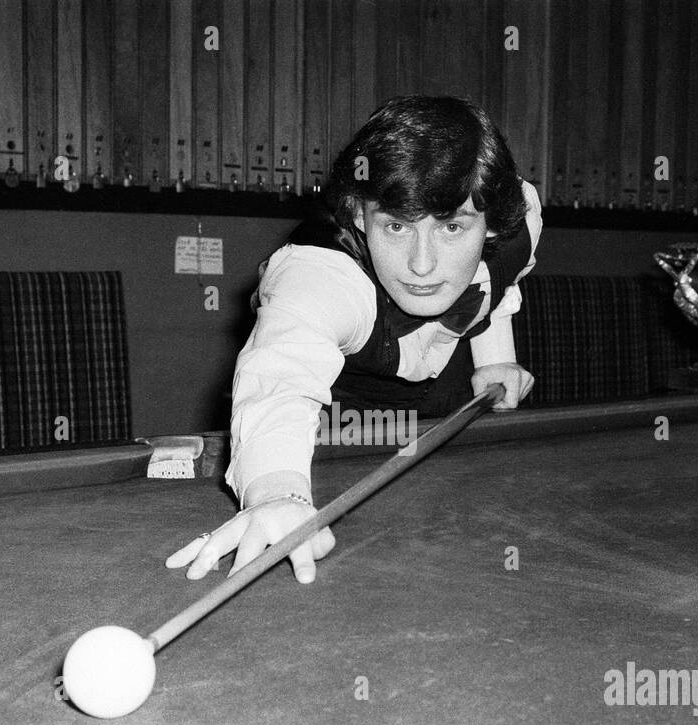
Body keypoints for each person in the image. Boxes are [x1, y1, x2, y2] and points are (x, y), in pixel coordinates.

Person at [167, 95, 543, 584]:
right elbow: (279, 381)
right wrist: (279, 495)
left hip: (442, 398)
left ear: (491, 224)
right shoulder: (319, 278)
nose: (422, 265)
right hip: (334, 418)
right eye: (395, 226)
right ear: (361, 217)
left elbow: (503, 281)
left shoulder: (521, 215)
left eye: (452, 227)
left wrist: (495, 359)